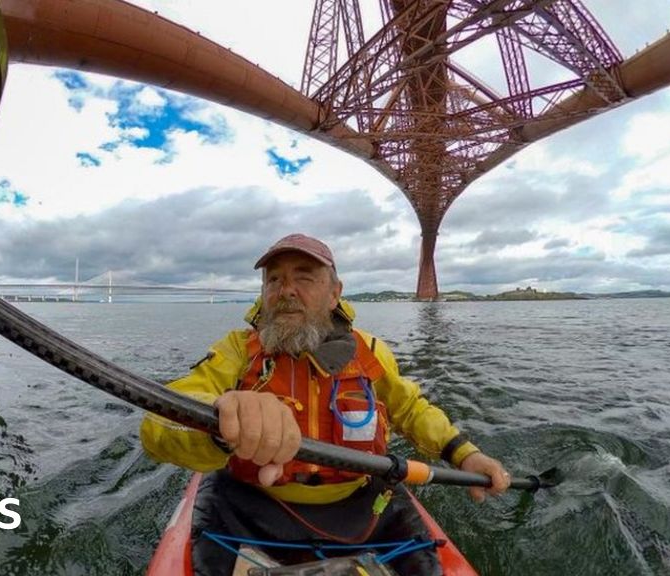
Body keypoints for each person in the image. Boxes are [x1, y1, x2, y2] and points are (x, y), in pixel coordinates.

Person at [141, 233, 510, 575]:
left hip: (361, 509)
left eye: (304, 277)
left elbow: (410, 409)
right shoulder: (236, 351)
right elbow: (162, 420)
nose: (286, 290)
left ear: (335, 293)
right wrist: (222, 419)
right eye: (274, 279)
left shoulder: (370, 352)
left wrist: (465, 454)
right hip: (251, 507)